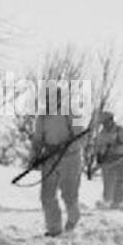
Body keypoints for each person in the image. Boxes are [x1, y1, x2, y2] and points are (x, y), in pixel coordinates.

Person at [31, 96, 86, 237]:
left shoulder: (73, 112)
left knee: (69, 195)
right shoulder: (42, 117)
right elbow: (37, 139)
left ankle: (73, 218)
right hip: (49, 158)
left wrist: (64, 147)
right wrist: (35, 156)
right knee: (46, 195)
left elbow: (81, 138)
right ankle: (54, 229)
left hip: (70, 159)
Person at [92, 110, 123, 209]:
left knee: (119, 183)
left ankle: (117, 203)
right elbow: (97, 148)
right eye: (102, 123)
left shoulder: (120, 131)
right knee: (107, 184)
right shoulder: (101, 134)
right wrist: (99, 154)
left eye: (105, 122)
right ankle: (106, 203)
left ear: (111, 120)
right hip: (108, 163)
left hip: (121, 161)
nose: (104, 125)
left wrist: (113, 148)